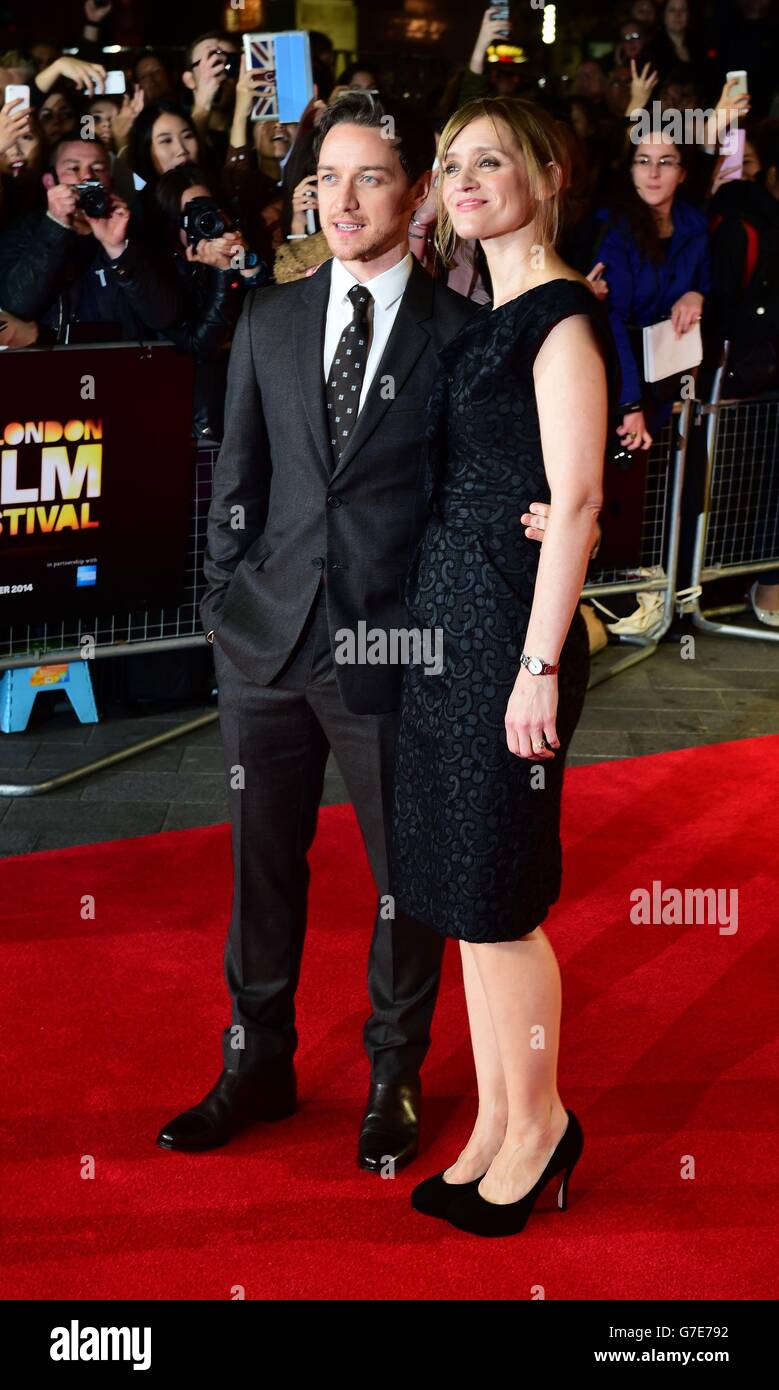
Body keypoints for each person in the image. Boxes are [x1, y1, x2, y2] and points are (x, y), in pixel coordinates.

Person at [155, 91, 554, 1171]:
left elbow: (489, 484)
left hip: (395, 647)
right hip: (265, 644)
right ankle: (256, 1064)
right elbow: (236, 476)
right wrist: (224, 600)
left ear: (413, 195)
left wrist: (544, 517)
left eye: (367, 176)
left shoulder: (459, 335)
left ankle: (394, 1074)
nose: (341, 198)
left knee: (404, 876)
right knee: (257, 867)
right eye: (325, 177)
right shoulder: (271, 319)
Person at [390, 95, 618, 1237]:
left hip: (505, 640)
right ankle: (491, 1121)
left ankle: (541, 1129)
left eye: (489, 159)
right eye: (449, 163)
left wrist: (536, 665)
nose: (463, 178)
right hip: (452, 624)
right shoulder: (488, 310)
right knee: (461, 899)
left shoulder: (560, 318)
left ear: (543, 170)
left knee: (500, 904)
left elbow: (574, 500)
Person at [0, 135, 183, 342]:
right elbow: (16, 307)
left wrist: (117, 248)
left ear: (110, 182)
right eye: (73, 168)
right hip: (52, 365)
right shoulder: (24, 229)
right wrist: (55, 225)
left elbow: (163, 317)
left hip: (126, 364)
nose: (87, 177)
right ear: (50, 181)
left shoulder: (136, 230)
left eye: (98, 169)